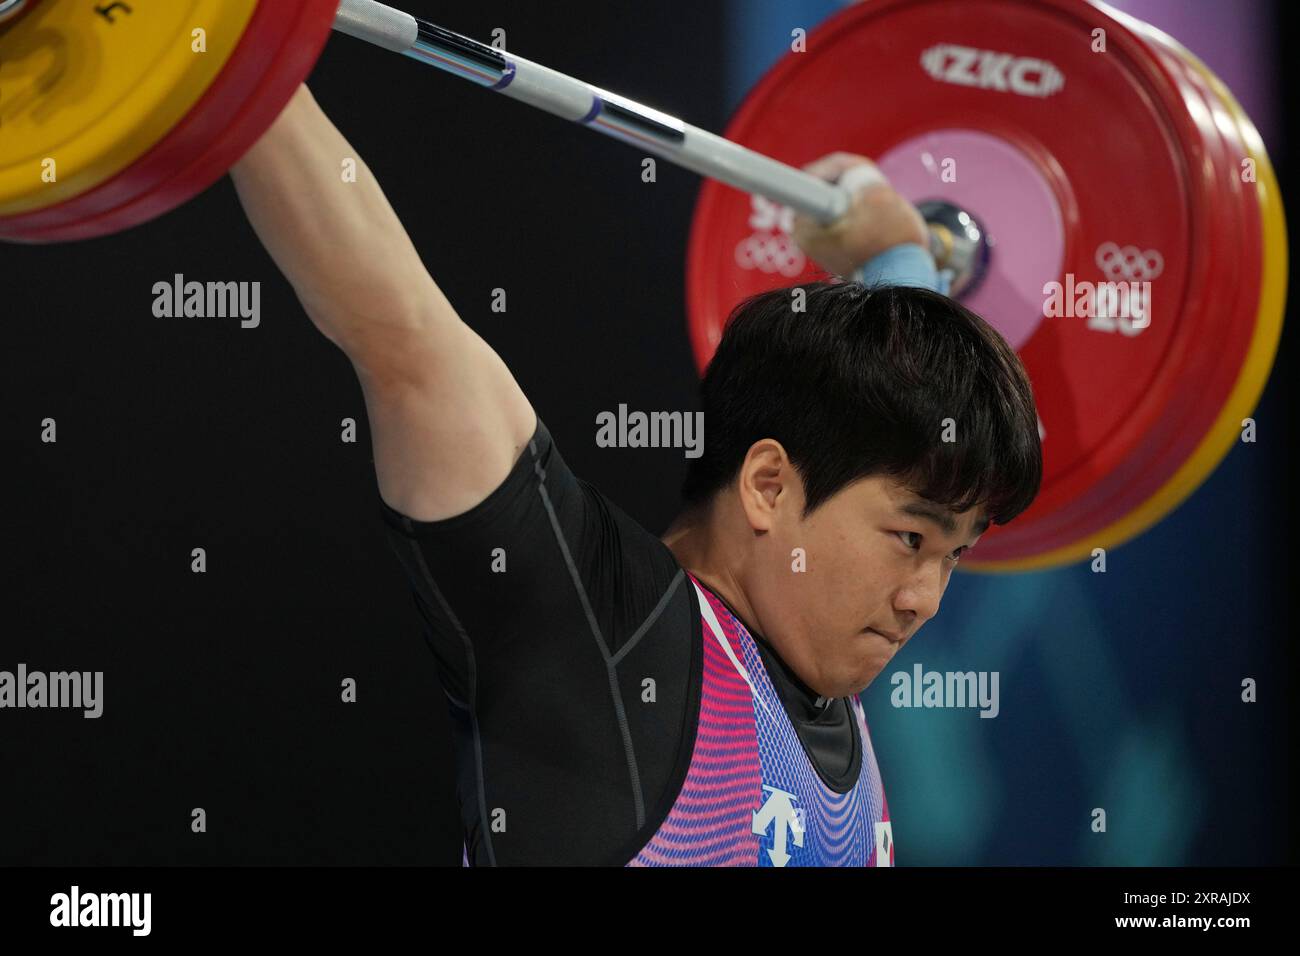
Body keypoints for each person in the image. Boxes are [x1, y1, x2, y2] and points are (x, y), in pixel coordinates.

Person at [229, 84, 1042, 867]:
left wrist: (898, 254)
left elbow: (899, 420)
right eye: (910, 541)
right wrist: (228, 56)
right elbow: (398, 332)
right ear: (768, 486)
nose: (925, 600)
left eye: (955, 553)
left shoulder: (818, 637)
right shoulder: (597, 640)